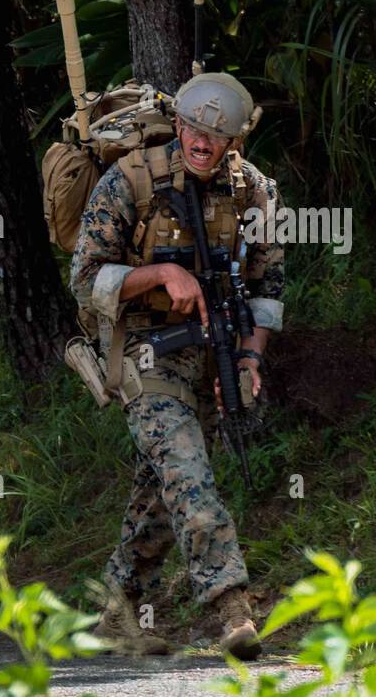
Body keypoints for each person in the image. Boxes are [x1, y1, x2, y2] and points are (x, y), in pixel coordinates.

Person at [69, 72, 284, 660]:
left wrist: (248, 356)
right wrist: (162, 275)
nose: (201, 142)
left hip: (212, 351)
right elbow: (85, 281)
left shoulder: (253, 191)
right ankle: (231, 610)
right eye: (193, 128)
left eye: (216, 135)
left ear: (234, 141)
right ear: (178, 125)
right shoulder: (130, 180)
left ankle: (116, 611)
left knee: (162, 492)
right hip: (143, 351)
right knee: (189, 475)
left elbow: (268, 282)